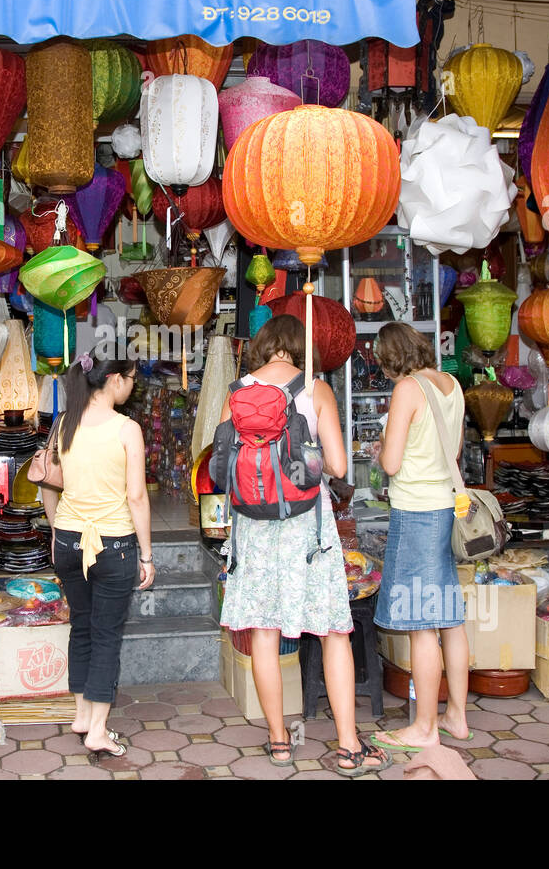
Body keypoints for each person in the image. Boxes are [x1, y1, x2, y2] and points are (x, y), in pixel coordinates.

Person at [215, 315, 388, 775]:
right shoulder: (315, 390)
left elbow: (221, 461)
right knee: (333, 632)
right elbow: (336, 465)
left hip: (253, 527)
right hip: (306, 528)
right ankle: (349, 745)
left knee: (265, 634)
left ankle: (278, 740)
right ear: (299, 348)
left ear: (265, 346)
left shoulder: (238, 392)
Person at [40, 354, 153, 760]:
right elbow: (136, 496)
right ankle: (99, 731)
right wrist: (147, 554)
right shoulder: (127, 430)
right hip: (113, 544)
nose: (133, 387)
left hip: (69, 541)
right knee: (106, 636)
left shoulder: (64, 422)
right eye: (132, 379)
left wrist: (57, 530)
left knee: (82, 628)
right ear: (114, 380)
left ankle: (82, 715)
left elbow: (46, 484)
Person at [370, 321, 472, 754]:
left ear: (392, 359)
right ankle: (458, 717)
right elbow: (455, 452)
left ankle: (426, 725)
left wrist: (378, 451)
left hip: (417, 512)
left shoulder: (407, 389)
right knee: (449, 616)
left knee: (421, 622)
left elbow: (392, 463)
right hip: (447, 506)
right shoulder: (452, 385)